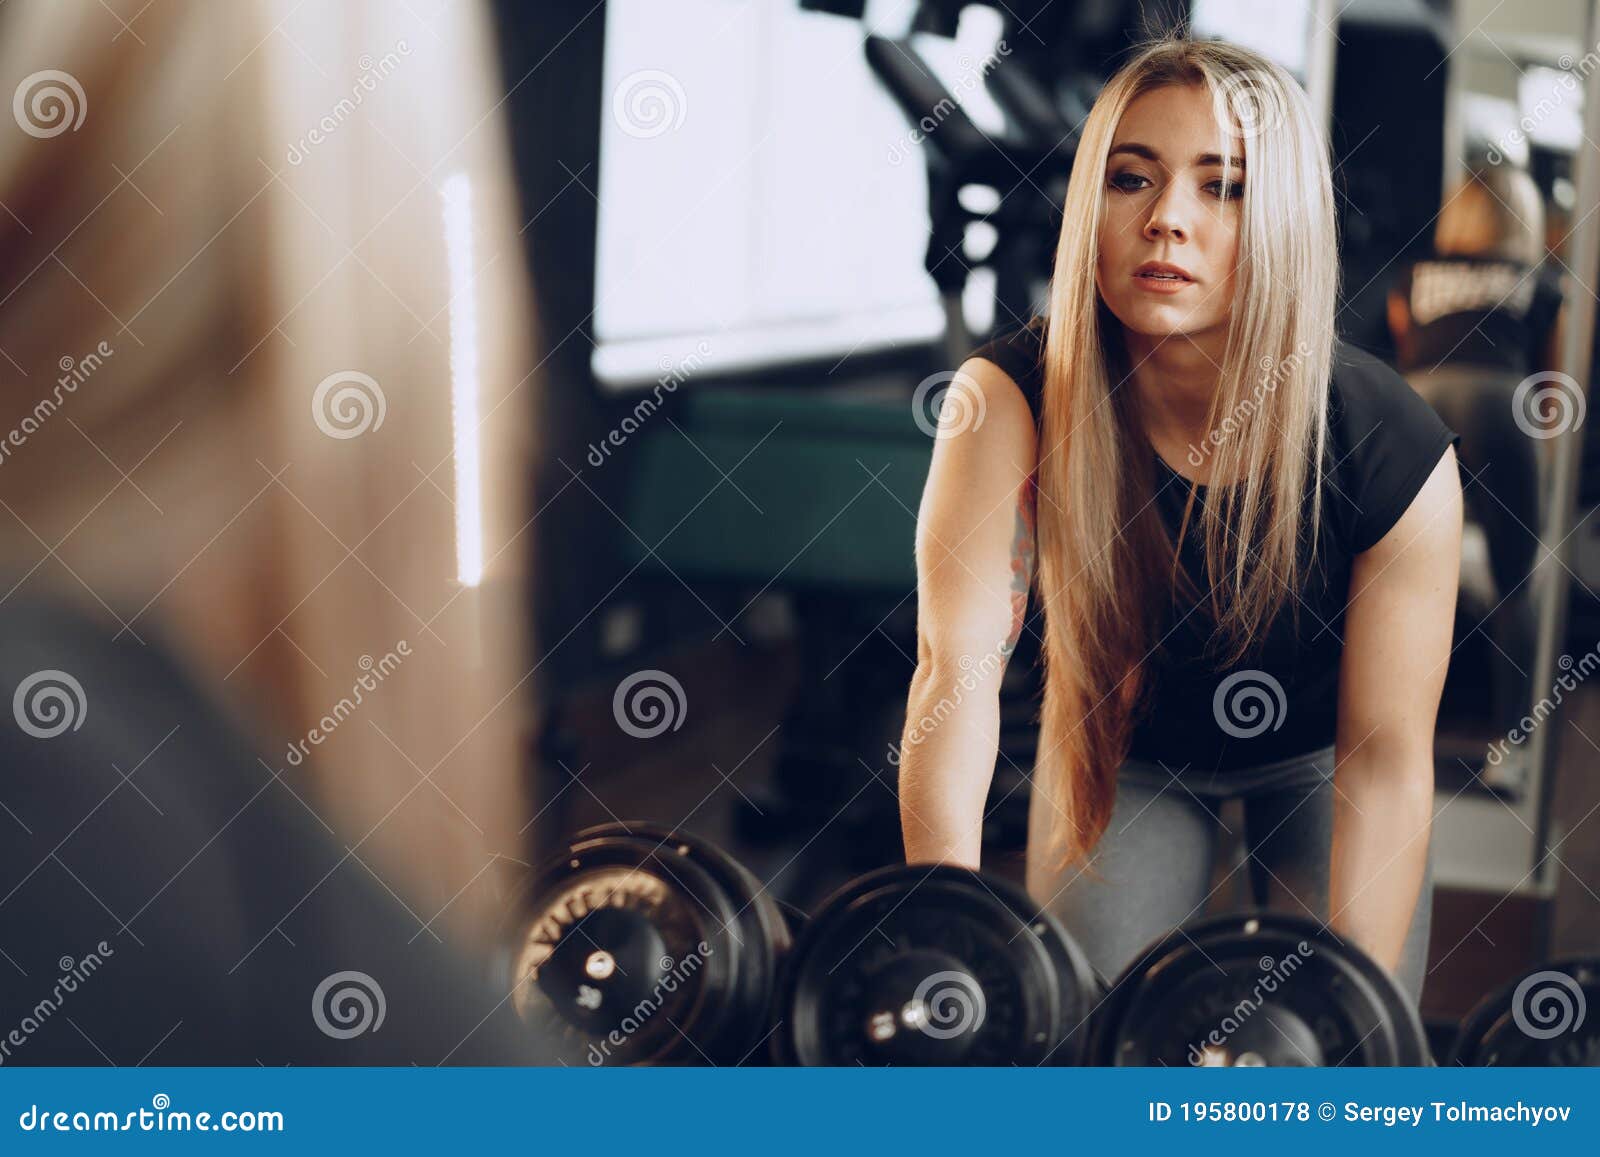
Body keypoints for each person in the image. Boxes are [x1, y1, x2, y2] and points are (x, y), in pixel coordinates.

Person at [898, 35, 1462, 1008]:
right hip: (1120, 743)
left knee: (1324, 1055)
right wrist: (948, 921)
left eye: (1223, 187)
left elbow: (1383, 760)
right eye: (1131, 178)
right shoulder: (1006, 401)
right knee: (1086, 1039)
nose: (1166, 220)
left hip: (1324, 758)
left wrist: (1355, 1025)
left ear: (1281, 217)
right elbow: (957, 675)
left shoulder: (1389, 446)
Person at [1388, 164, 1562, 793]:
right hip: (1500, 400)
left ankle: (1387, 735)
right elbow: (1552, 384)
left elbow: (1406, 339)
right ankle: (1510, 747)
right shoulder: (1540, 283)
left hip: (1418, 398)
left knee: (1395, 577)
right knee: (1517, 584)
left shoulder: (1414, 274)